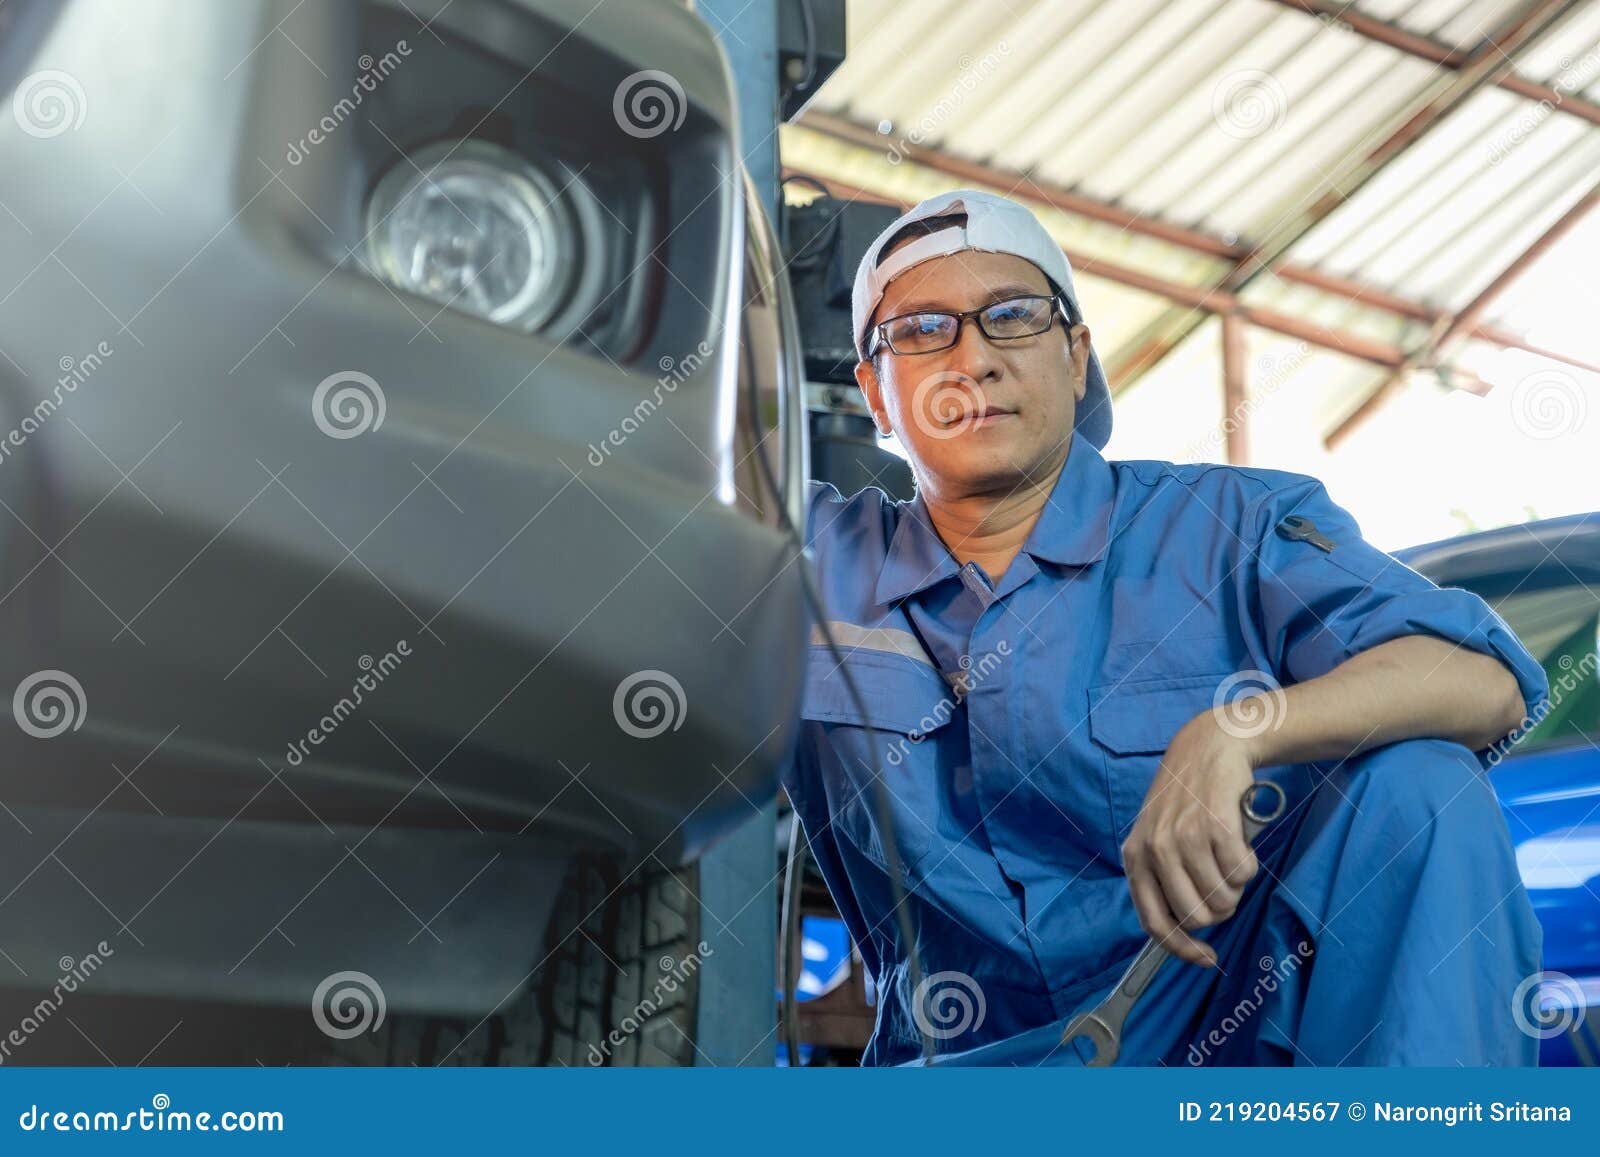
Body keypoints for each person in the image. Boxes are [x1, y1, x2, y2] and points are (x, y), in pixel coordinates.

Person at [787, 188, 1550, 1066]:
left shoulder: (1231, 526)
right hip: (963, 1075)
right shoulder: (810, 563)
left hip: (1221, 1045)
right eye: (922, 331)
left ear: (1076, 359)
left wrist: (1236, 730)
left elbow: (1480, 678)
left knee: (1422, 783)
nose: (975, 359)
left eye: (1012, 317)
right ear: (875, 397)